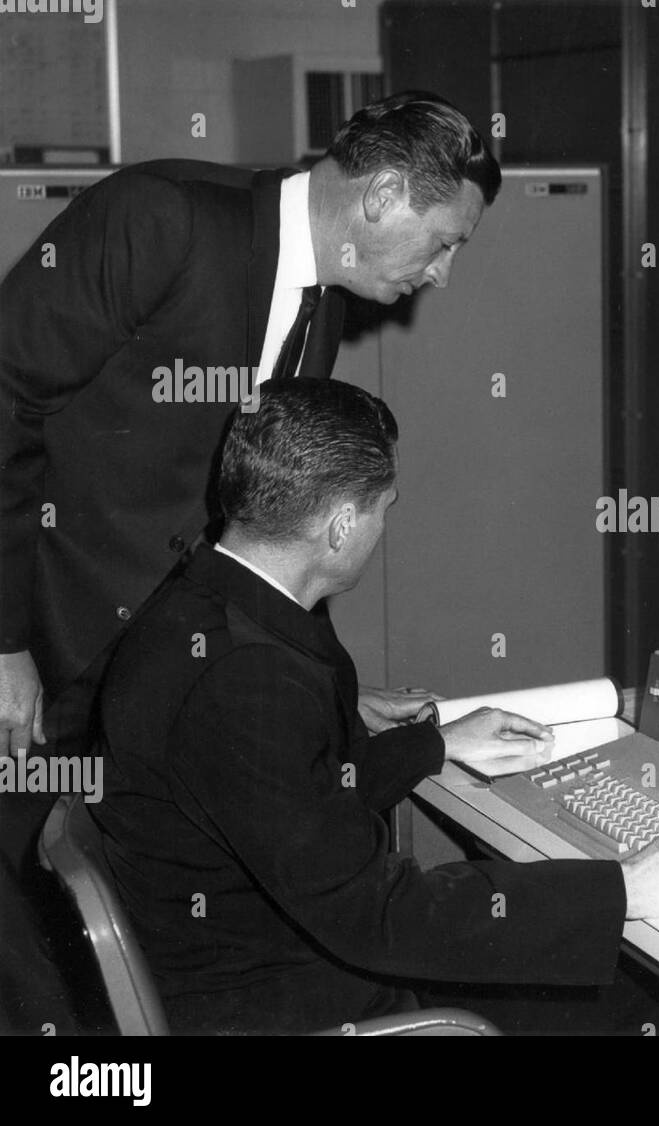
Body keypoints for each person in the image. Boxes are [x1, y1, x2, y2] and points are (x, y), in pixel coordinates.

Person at [0, 92, 493, 1028]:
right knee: (24, 967)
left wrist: (320, 692)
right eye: (445, 241)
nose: (443, 275)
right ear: (384, 193)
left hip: (140, 677)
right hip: (43, 636)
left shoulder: (321, 310)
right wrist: (2, 641)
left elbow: (270, 518)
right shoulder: (164, 217)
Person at [90, 379, 659, 1034]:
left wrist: (433, 745)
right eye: (386, 507)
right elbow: (380, 914)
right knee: (643, 1009)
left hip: (254, 958)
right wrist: (628, 888)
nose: (385, 525)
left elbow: (295, 804)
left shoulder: (200, 603)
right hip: (298, 1003)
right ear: (340, 526)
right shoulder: (247, 682)